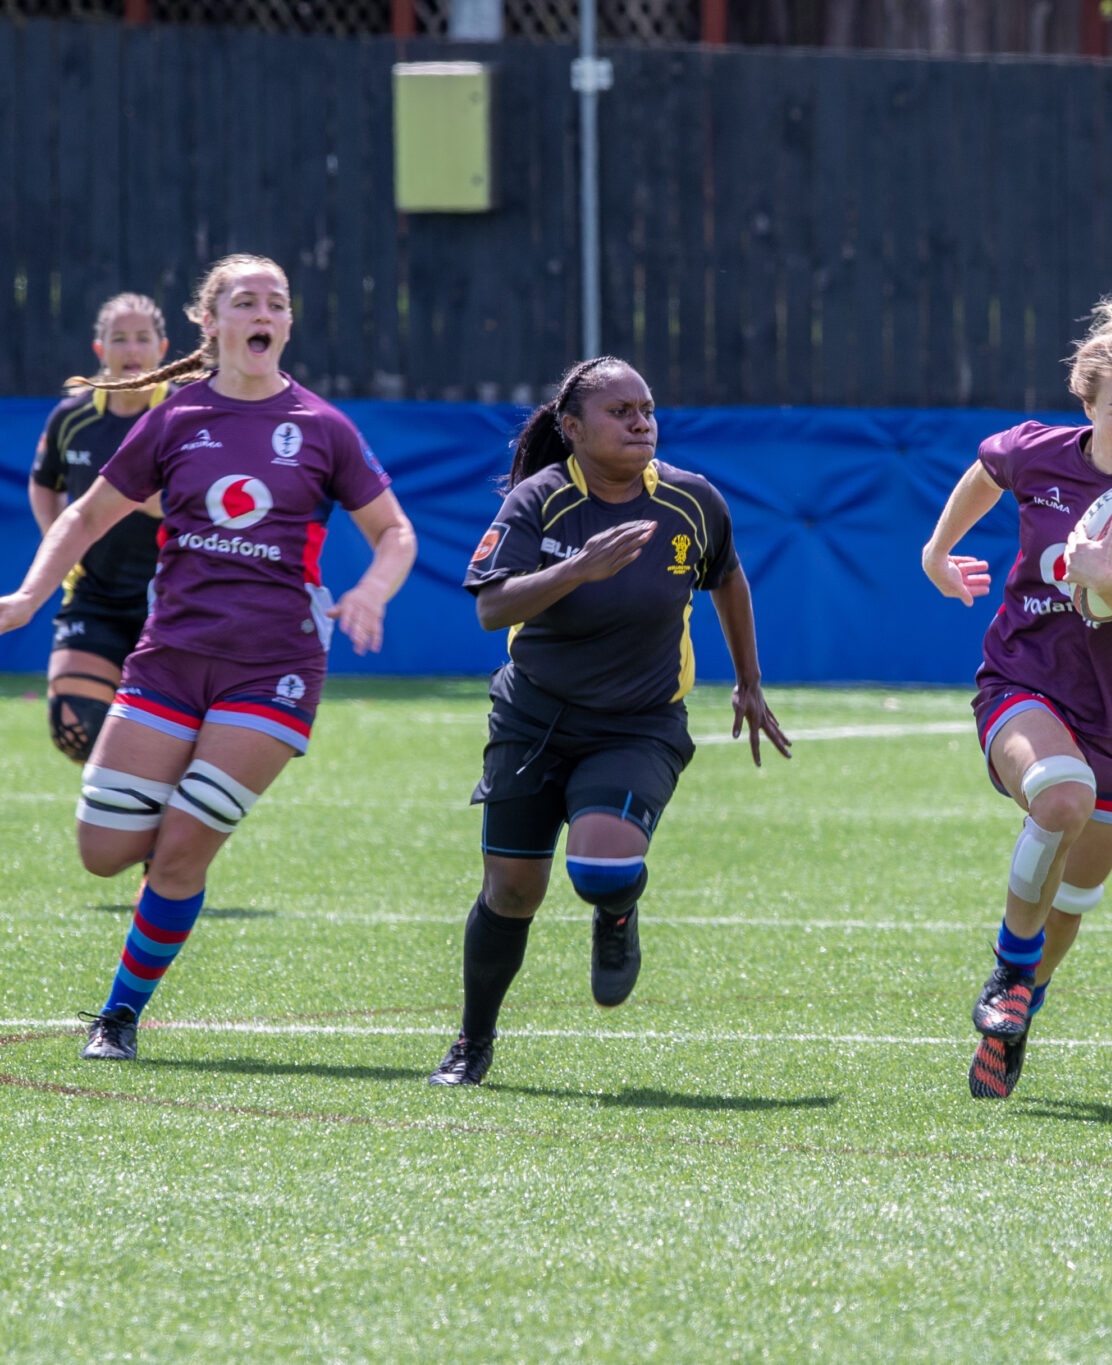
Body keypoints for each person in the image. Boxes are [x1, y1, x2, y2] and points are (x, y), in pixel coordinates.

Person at [0, 254, 417, 1062]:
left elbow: (396, 532)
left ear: (286, 325)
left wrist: (371, 591)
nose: (265, 313)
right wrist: (25, 597)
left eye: (278, 303)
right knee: (102, 851)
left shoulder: (325, 428)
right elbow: (83, 518)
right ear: (211, 323)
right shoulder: (174, 419)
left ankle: (118, 1016)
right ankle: (178, 842)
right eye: (247, 301)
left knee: (185, 847)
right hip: (169, 658)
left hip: (275, 667)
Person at [426, 357, 790, 1087]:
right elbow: (491, 606)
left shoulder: (692, 501)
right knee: (512, 892)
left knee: (602, 867)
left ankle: (617, 915)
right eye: (620, 410)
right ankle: (473, 1041)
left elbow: (728, 576)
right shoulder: (542, 500)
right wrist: (575, 571)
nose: (640, 421)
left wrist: (749, 682)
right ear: (571, 428)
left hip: (638, 724)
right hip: (533, 718)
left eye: (647, 408)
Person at [921, 295, 1112, 1099]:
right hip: (1025, 677)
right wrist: (938, 552)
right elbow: (989, 470)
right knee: (1060, 797)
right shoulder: (1039, 453)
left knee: (1076, 899)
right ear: (1084, 404)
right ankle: (1008, 972)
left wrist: (1108, 583)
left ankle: (1021, 1004)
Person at [28, 294, 174, 767]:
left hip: (173, 601)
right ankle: (119, 819)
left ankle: (158, 830)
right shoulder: (70, 418)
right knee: (75, 725)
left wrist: (165, 507)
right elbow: (42, 483)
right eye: (119, 339)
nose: (132, 350)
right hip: (95, 594)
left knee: (164, 739)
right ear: (99, 350)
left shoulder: (185, 416)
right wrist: (60, 541)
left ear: (163, 348)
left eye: (142, 339)